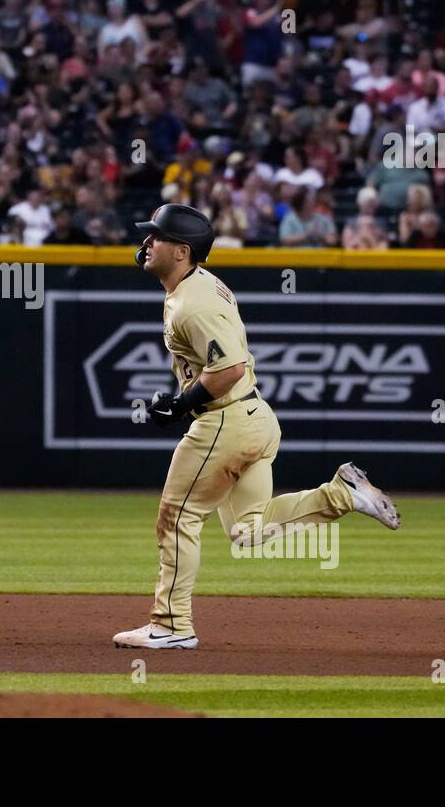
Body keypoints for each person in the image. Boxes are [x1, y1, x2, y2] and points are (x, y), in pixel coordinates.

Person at [112, 204, 400, 650]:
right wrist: (181, 400)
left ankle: (172, 625)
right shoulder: (196, 286)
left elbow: (228, 368)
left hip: (225, 421)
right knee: (248, 531)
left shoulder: (192, 302)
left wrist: (181, 404)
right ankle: (343, 494)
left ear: (182, 251)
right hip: (255, 418)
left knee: (178, 516)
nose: (147, 243)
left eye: (157, 237)